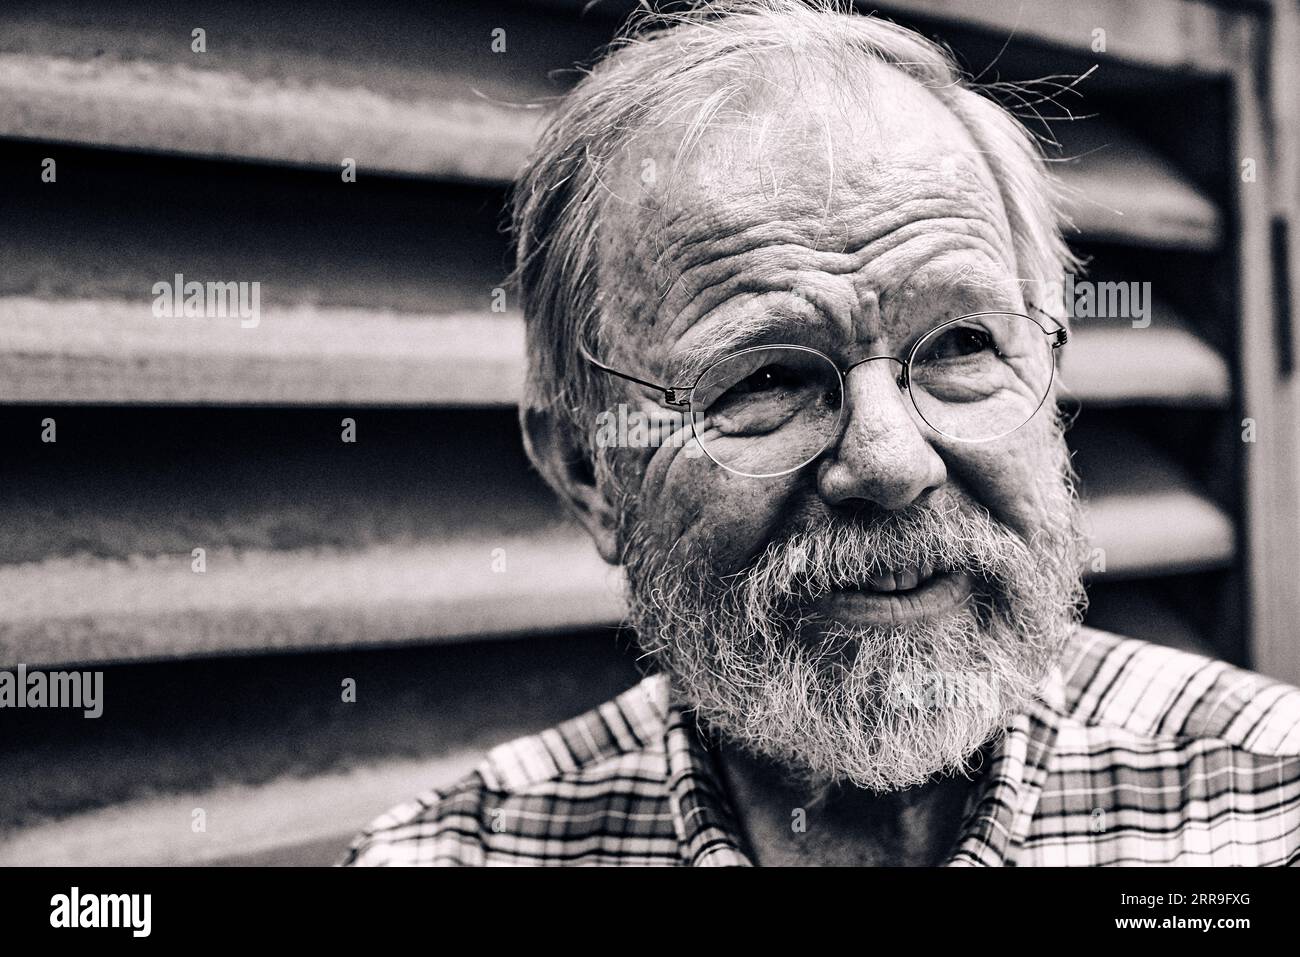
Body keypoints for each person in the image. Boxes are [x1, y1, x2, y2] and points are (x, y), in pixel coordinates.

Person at [344, 0, 1300, 866]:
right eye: (765, 377)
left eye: (963, 343)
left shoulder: (1265, 809)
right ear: (590, 469)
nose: (889, 461)